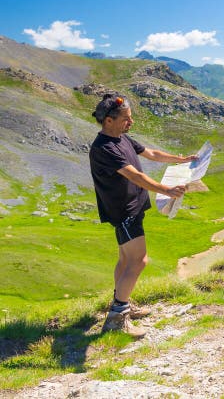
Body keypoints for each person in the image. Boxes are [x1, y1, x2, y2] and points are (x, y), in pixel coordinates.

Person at [89, 94, 196, 338]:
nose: (131, 122)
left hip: (133, 207)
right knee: (139, 261)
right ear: (108, 121)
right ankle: (117, 319)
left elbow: (151, 154)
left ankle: (123, 303)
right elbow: (135, 176)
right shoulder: (104, 148)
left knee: (126, 261)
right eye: (126, 118)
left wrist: (181, 160)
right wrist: (167, 190)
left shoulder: (121, 137)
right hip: (123, 211)